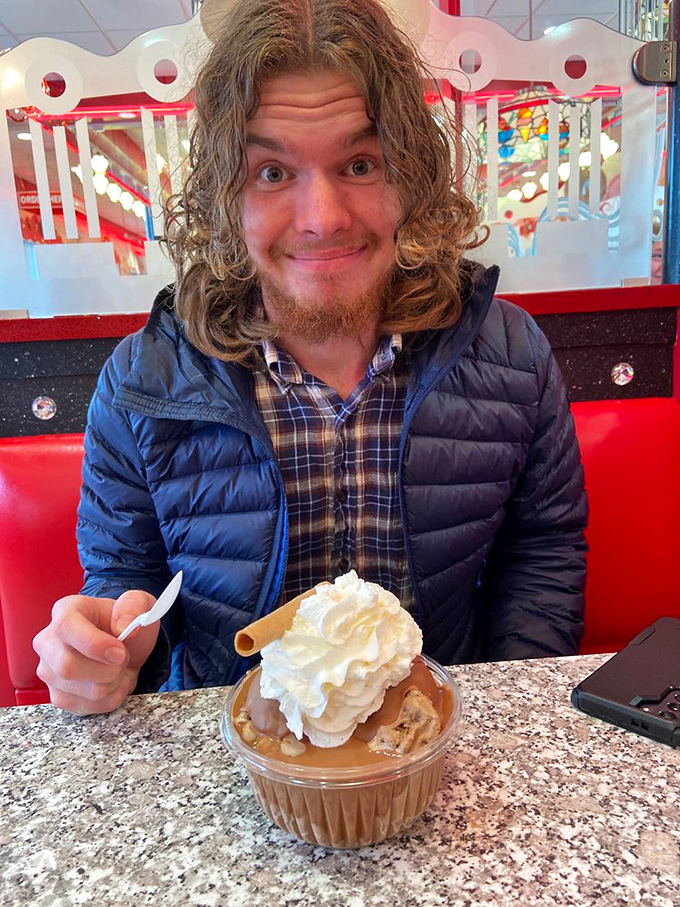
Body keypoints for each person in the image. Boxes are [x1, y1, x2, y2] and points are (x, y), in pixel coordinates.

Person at [33, 0, 587, 716]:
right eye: (270, 173)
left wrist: (514, 710)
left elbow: (542, 551)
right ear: (222, 197)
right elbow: (123, 577)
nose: (323, 216)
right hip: (231, 756)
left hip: (434, 743)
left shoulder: (510, 354)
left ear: (408, 178)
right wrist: (107, 650)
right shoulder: (142, 382)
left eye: (360, 163)